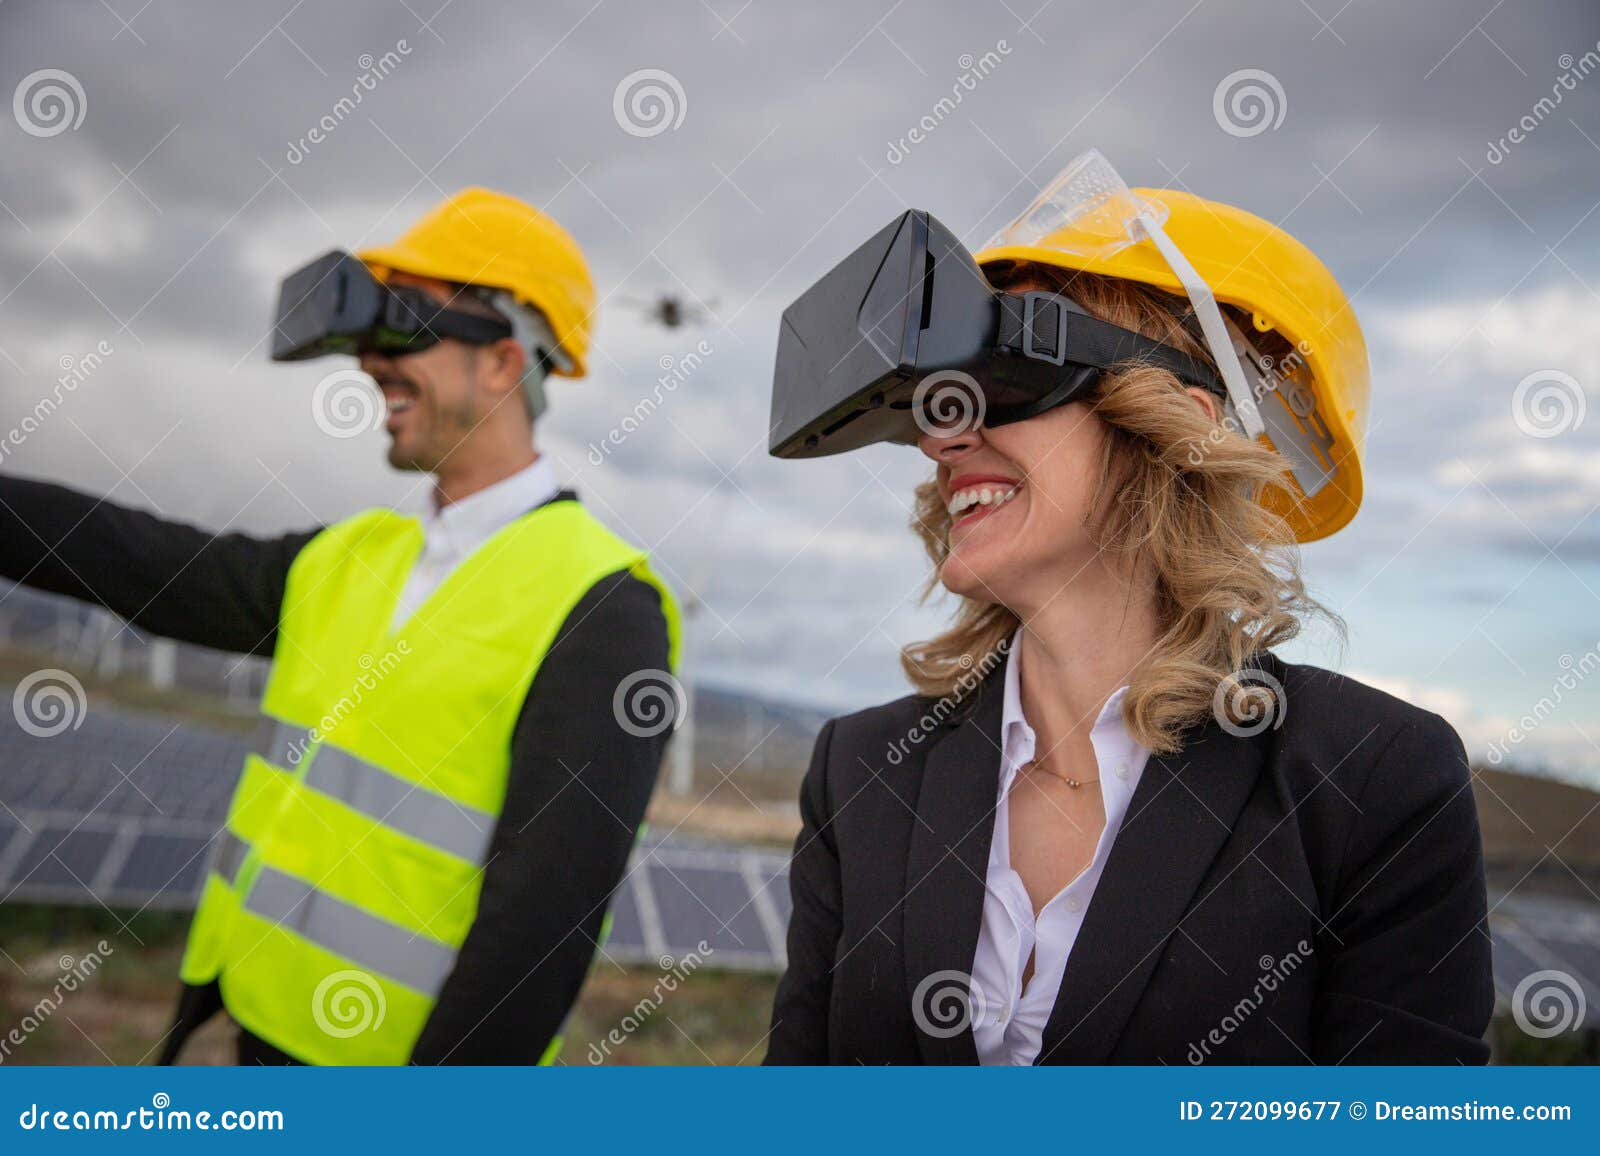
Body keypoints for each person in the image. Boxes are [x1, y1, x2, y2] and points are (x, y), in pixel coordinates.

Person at [763, 151, 1492, 1064]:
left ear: (1179, 428)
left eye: (1001, 374)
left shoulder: (1371, 783)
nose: (940, 437)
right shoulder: (862, 770)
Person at [0, 188, 680, 1065]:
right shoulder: (348, 556)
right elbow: (138, 560)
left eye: (404, 327)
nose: (369, 362)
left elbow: (540, 935)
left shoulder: (605, 608)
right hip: (245, 1029)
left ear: (503, 363)